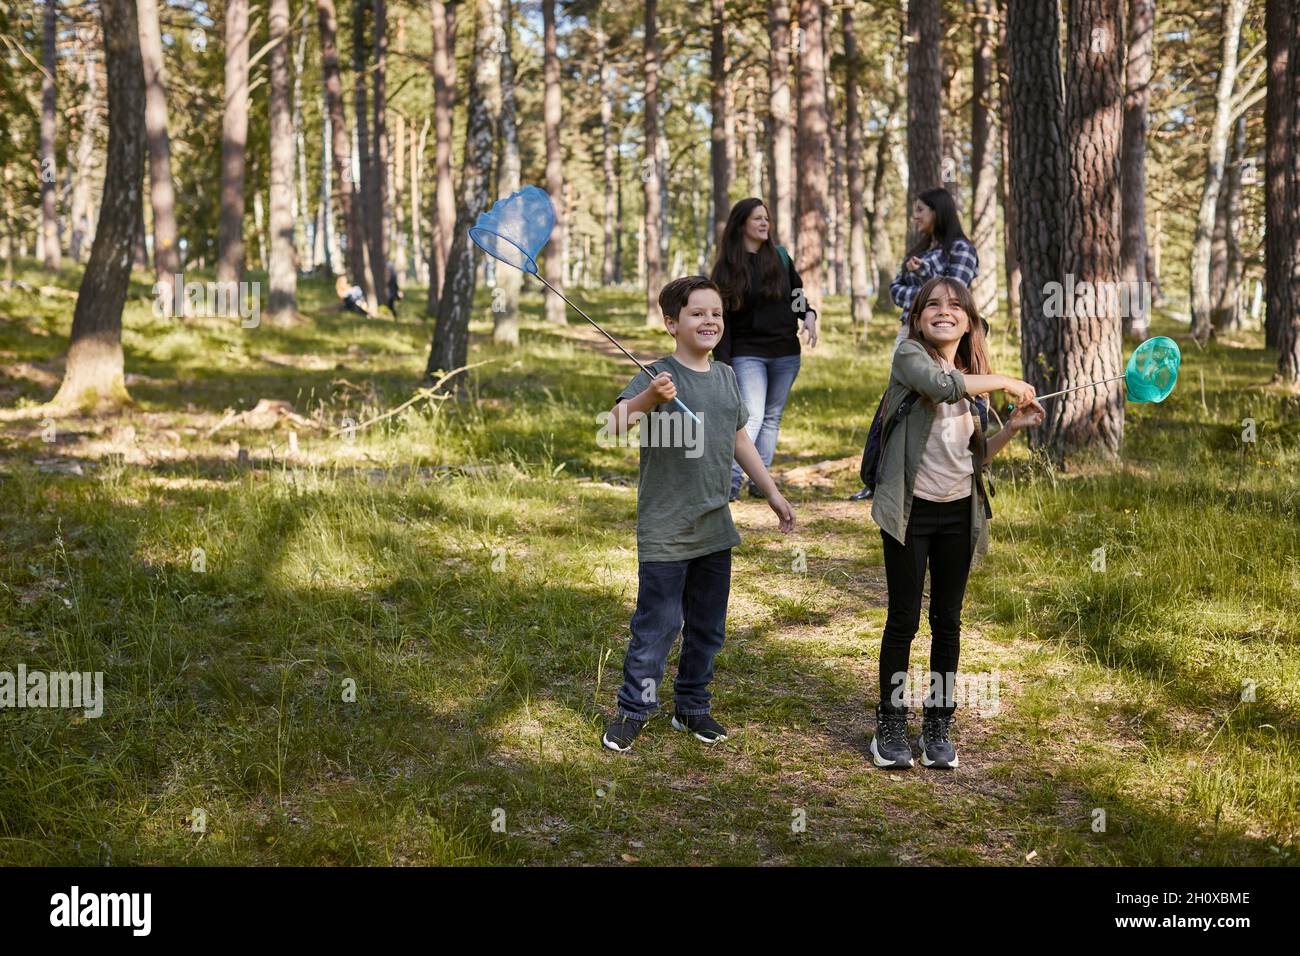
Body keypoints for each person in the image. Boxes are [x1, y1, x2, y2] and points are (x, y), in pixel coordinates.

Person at [601, 275, 796, 753]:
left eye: (716, 314)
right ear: (672, 323)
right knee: (658, 626)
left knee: (708, 626)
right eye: (697, 313)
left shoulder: (728, 376)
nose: (710, 321)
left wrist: (768, 489)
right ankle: (633, 708)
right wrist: (648, 400)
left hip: (713, 526)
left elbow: (738, 438)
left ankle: (691, 706)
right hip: (666, 530)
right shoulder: (656, 375)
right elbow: (612, 424)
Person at [868, 275, 1043, 770]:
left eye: (955, 305)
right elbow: (941, 387)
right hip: (909, 510)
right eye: (933, 305)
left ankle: (939, 722)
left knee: (947, 622)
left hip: (956, 513)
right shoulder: (909, 357)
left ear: (968, 320)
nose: (943, 311)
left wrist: (1010, 425)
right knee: (903, 619)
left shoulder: (972, 375)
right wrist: (1006, 381)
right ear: (918, 316)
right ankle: (890, 723)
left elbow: (977, 457)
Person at [849, 187, 980, 502]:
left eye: (920, 210)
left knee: (942, 397)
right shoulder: (920, 248)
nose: (915, 216)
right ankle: (879, 475)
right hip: (910, 336)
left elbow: (954, 296)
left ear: (938, 211)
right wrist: (923, 297)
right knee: (896, 403)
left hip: (947, 341)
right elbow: (895, 291)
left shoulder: (960, 249)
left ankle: (943, 475)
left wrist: (922, 279)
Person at [709, 198, 818, 502]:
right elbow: (722, 319)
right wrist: (724, 361)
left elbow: (796, 294)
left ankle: (760, 481)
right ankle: (730, 483)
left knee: (772, 416)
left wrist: (808, 314)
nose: (764, 224)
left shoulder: (781, 258)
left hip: (786, 351)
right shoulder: (726, 267)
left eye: (766, 219)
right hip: (748, 352)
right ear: (741, 223)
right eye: (757, 218)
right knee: (751, 416)